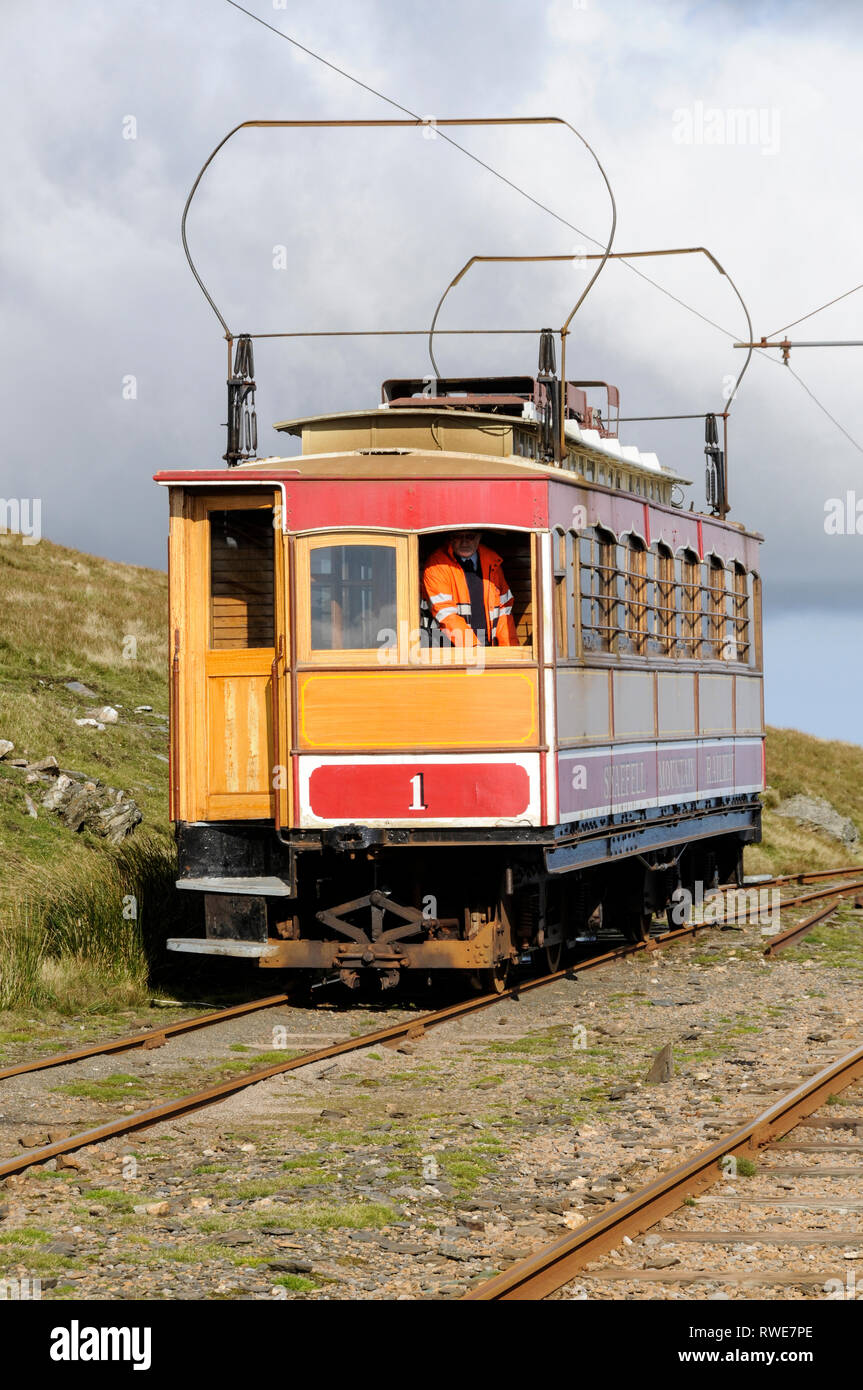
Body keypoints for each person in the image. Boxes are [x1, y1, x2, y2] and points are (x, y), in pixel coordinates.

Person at [422, 531, 518, 649]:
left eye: (470, 536)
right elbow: (445, 614)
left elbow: (504, 611)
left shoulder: (493, 562)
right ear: (450, 538)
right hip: (448, 652)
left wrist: (509, 649)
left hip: (487, 649)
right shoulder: (436, 566)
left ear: (479, 536)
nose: (464, 542)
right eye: (458, 536)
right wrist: (473, 646)